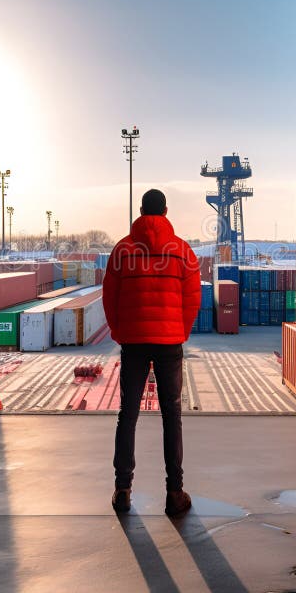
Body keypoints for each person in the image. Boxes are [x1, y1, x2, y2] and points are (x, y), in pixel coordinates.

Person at [102, 188, 202, 516]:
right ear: (166, 211)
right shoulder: (183, 251)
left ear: (142, 211)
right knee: (171, 415)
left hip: (132, 341)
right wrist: (180, 332)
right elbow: (192, 300)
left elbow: (109, 298)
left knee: (127, 414)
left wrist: (120, 332)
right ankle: (175, 493)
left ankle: (122, 491)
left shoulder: (122, 250)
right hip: (169, 343)